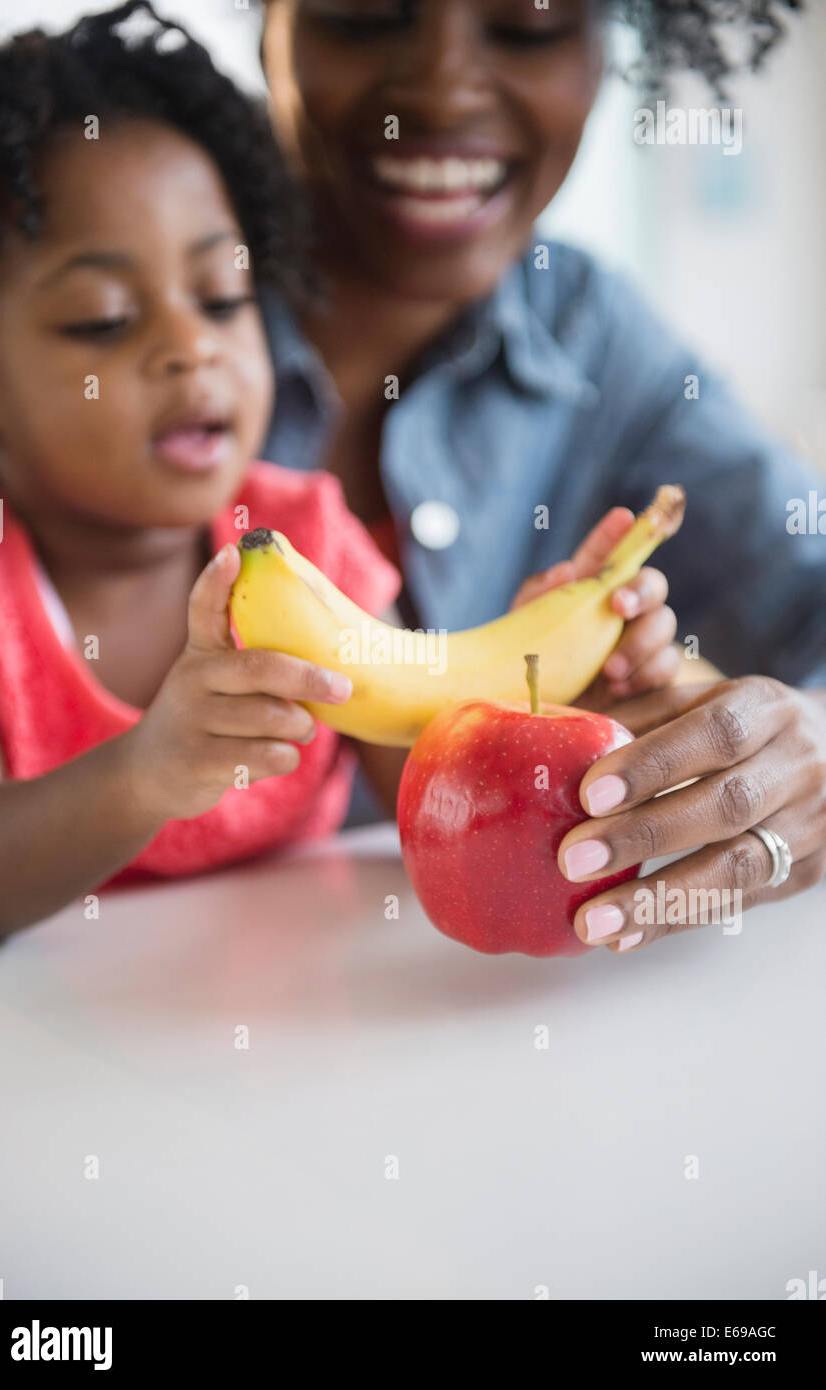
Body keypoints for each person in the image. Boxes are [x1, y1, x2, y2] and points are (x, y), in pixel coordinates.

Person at [0, 3, 675, 940]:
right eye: (103, 320)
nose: (192, 350)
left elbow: (430, 770)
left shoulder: (300, 544)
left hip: (294, 1034)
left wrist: (562, 700)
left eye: (222, 298)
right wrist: (147, 773)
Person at [255, 0, 826, 951]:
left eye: (529, 25)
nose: (442, 89)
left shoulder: (597, 335)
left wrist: (808, 743)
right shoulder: (107, 308)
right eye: (362, 14)